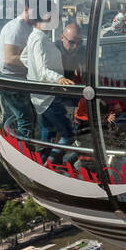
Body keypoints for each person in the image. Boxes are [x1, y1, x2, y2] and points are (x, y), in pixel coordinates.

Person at [21, 18, 78, 163]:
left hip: (42, 95)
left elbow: (24, 57)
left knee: (48, 133)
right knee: (68, 135)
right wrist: (59, 78)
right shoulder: (40, 39)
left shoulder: (35, 36)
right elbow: (42, 71)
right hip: (49, 96)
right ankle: (49, 166)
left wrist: (33, 71)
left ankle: (43, 163)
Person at [0, 4, 39, 137]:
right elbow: (10, 58)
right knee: (25, 119)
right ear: (26, 8)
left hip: (15, 78)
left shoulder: (27, 26)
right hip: (10, 80)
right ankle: (25, 150)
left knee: (29, 115)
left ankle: (29, 146)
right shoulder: (17, 27)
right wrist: (36, 63)